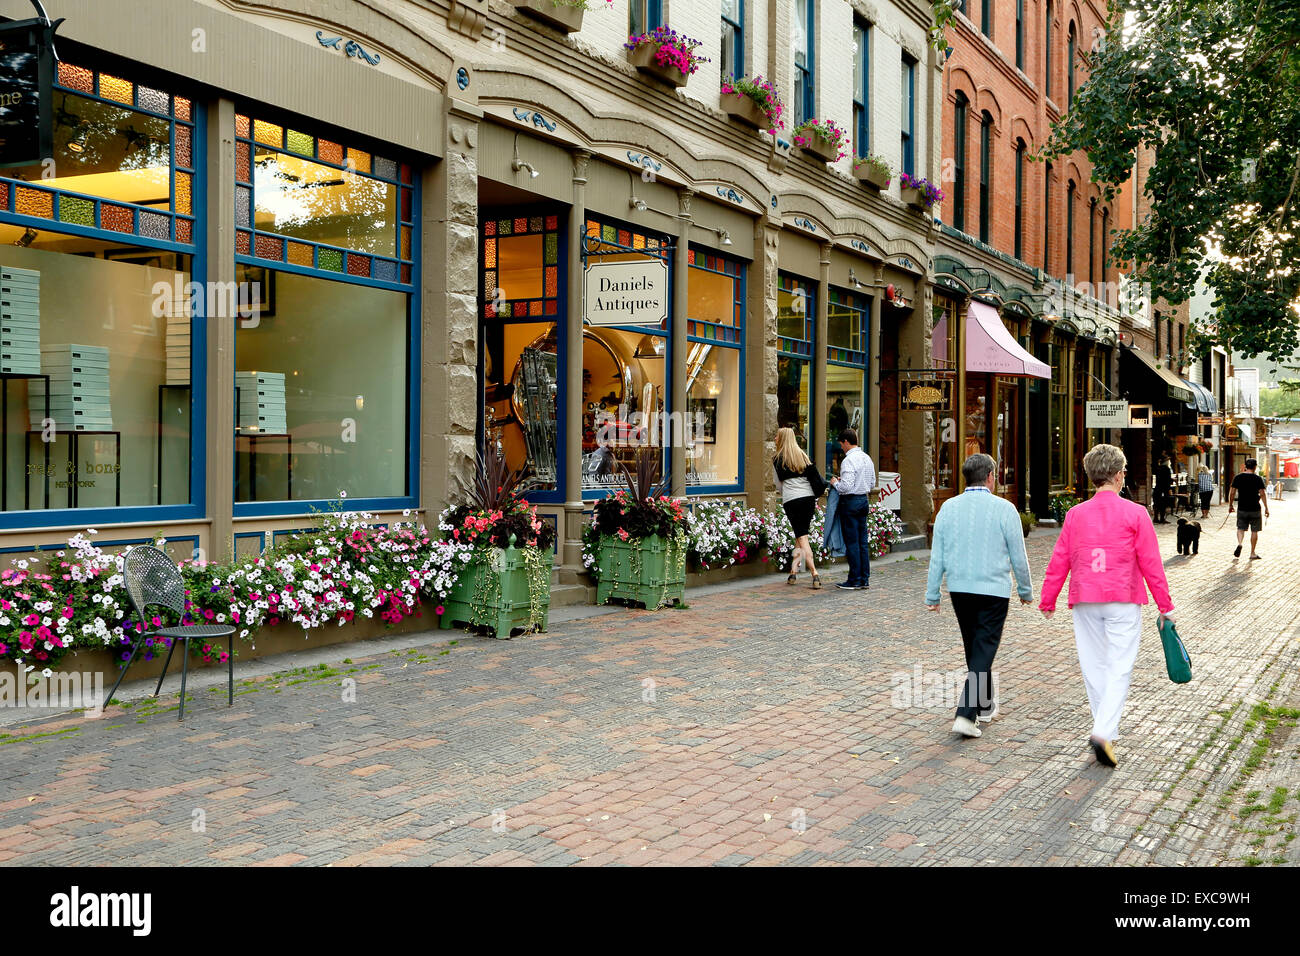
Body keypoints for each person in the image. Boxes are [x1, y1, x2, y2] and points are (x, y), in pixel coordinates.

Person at [1039, 443, 1175, 768]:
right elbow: (1151, 562)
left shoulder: (1075, 514)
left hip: (1085, 596)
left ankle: (1105, 730)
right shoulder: (1136, 513)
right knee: (1119, 666)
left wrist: (1048, 597)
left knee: (1093, 666)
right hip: (1123, 596)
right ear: (1118, 475)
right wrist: (1164, 604)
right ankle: (1103, 731)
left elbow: (1060, 558)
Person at [925, 454, 1034, 739]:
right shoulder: (1005, 508)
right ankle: (965, 714)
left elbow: (938, 555)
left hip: (960, 588)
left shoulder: (947, 508)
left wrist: (933, 593)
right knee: (983, 648)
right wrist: (1025, 590)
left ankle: (983, 706)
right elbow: (1018, 556)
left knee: (976, 647)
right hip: (994, 590)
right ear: (990, 477)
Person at [773, 427, 826, 589]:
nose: (775, 438)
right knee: (800, 535)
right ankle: (793, 573)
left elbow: (778, 485)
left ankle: (815, 574)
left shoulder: (777, 459)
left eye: (777, 436)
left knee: (802, 537)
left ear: (782, 439)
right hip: (808, 499)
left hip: (792, 500)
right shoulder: (803, 456)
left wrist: (787, 492)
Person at [829, 428, 875, 590]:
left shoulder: (848, 461)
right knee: (863, 542)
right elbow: (872, 483)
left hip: (850, 502)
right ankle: (864, 578)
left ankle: (854, 579)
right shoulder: (867, 458)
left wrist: (835, 482)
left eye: (841, 444)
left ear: (846, 442)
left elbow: (845, 487)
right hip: (863, 500)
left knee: (852, 542)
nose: (841, 447)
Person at [1227, 458, 1269, 560]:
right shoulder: (1258, 479)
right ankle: (1252, 553)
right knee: (1254, 531)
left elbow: (1232, 492)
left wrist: (1230, 505)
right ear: (1255, 467)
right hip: (1255, 509)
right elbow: (1262, 494)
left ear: (1245, 466)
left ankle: (1240, 543)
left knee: (1240, 528)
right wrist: (1266, 508)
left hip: (1242, 508)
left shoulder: (1238, 477)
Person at [1153, 455, 1172, 523]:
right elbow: (1167, 480)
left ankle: (1155, 518)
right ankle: (1162, 518)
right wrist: (1169, 489)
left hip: (1157, 488)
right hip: (1164, 489)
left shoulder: (1158, 468)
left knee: (1157, 504)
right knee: (1163, 505)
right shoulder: (1167, 469)